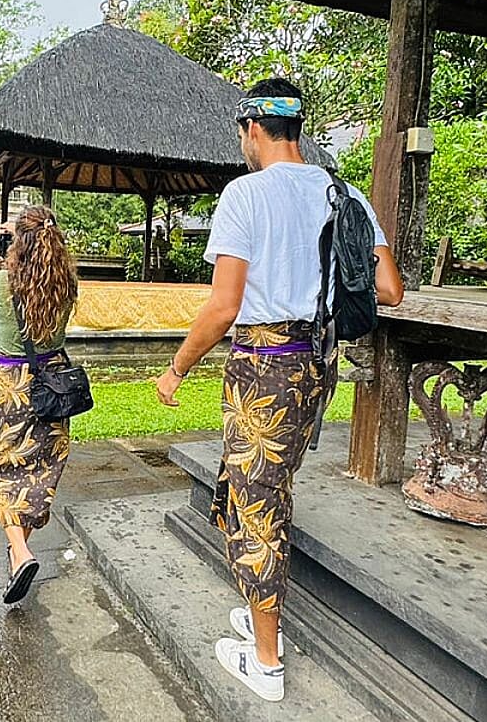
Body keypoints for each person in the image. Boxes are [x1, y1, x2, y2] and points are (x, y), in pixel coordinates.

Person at [155, 78, 404, 703]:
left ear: (251, 130)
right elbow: (390, 290)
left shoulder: (245, 195)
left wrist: (177, 368)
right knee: (266, 488)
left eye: (242, 134)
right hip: (315, 365)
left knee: (259, 506)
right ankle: (259, 611)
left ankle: (266, 660)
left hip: (262, 369)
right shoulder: (343, 193)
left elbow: (223, 307)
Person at [0, 205, 78, 604]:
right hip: (54, 382)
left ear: (18, 242)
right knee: (43, 466)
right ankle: (18, 551)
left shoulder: (3, 281)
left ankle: (19, 551)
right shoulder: (66, 284)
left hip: (10, 385)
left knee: (1, 465)